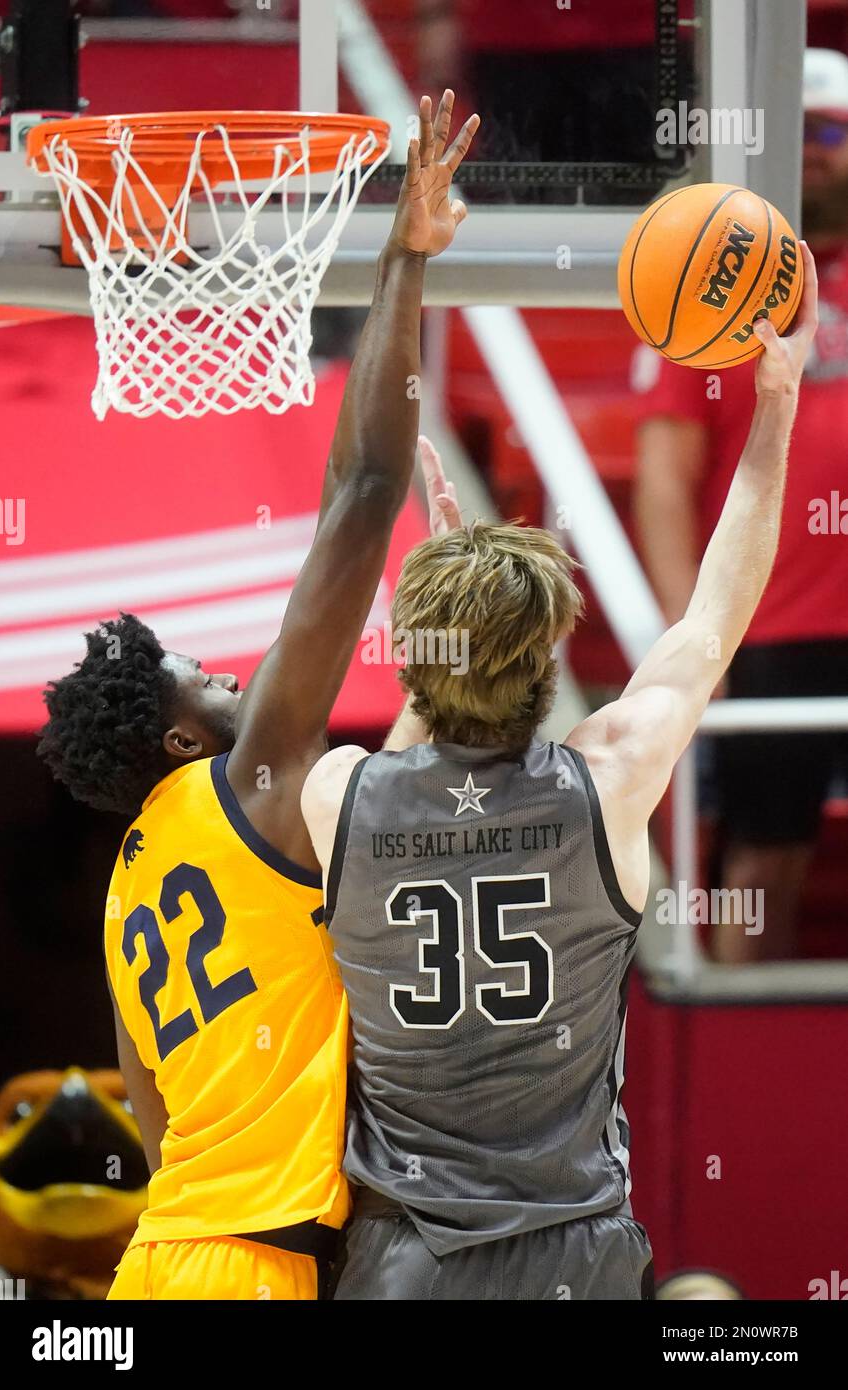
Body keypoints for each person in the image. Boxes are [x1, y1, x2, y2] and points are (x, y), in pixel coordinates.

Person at [301, 252, 819, 1300]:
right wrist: (772, 396)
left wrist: (447, 621)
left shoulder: (339, 794)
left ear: (412, 655)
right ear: (546, 657)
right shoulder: (610, 779)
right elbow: (714, 616)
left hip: (405, 1258)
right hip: (571, 1253)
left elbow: (420, 721)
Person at [36, 91, 479, 1301]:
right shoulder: (247, 783)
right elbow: (366, 484)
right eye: (211, 677)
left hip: (162, 1261)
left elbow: (165, 1126)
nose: (239, 675)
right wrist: (401, 254)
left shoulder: (134, 894)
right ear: (183, 735)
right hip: (243, 1269)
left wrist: (440, 622)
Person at [634, 47, 848, 963]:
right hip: (770, 626)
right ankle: (734, 1039)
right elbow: (663, 479)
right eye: (794, 133)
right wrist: (697, 635)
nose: (812, 152)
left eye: (831, 132)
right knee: (765, 851)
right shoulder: (710, 293)